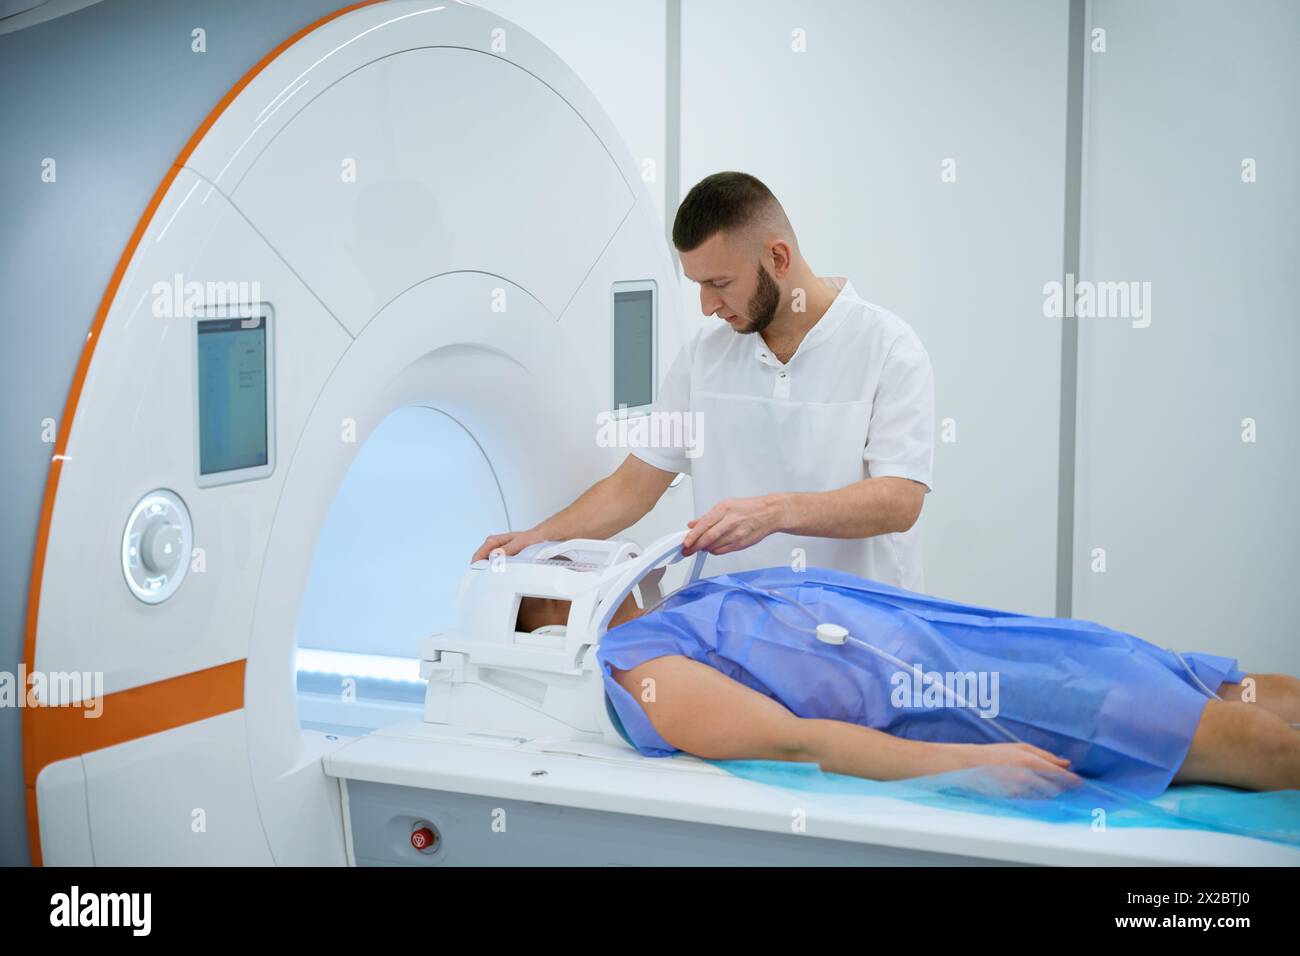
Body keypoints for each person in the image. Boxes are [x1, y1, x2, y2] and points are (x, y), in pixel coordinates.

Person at [474, 171, 935, 590]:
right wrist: (537, 540)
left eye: (719, 282)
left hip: (857, 624)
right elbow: (633, 486)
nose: (706, 306)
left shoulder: (888, 348)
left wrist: (774, 513)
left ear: (778, 258)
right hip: (729, 620)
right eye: (697, 284)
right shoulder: (704, 356)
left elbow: (899, 500)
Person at [514, 566, 1300, 798]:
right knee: (1216, 732)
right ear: (548, 622)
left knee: (1212, 683)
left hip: (990, 641)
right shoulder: (643, 673)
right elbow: (798, 740)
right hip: (973, 702)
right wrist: (962, 765)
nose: (586, 564)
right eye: (560, 572)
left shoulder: (685, 594)